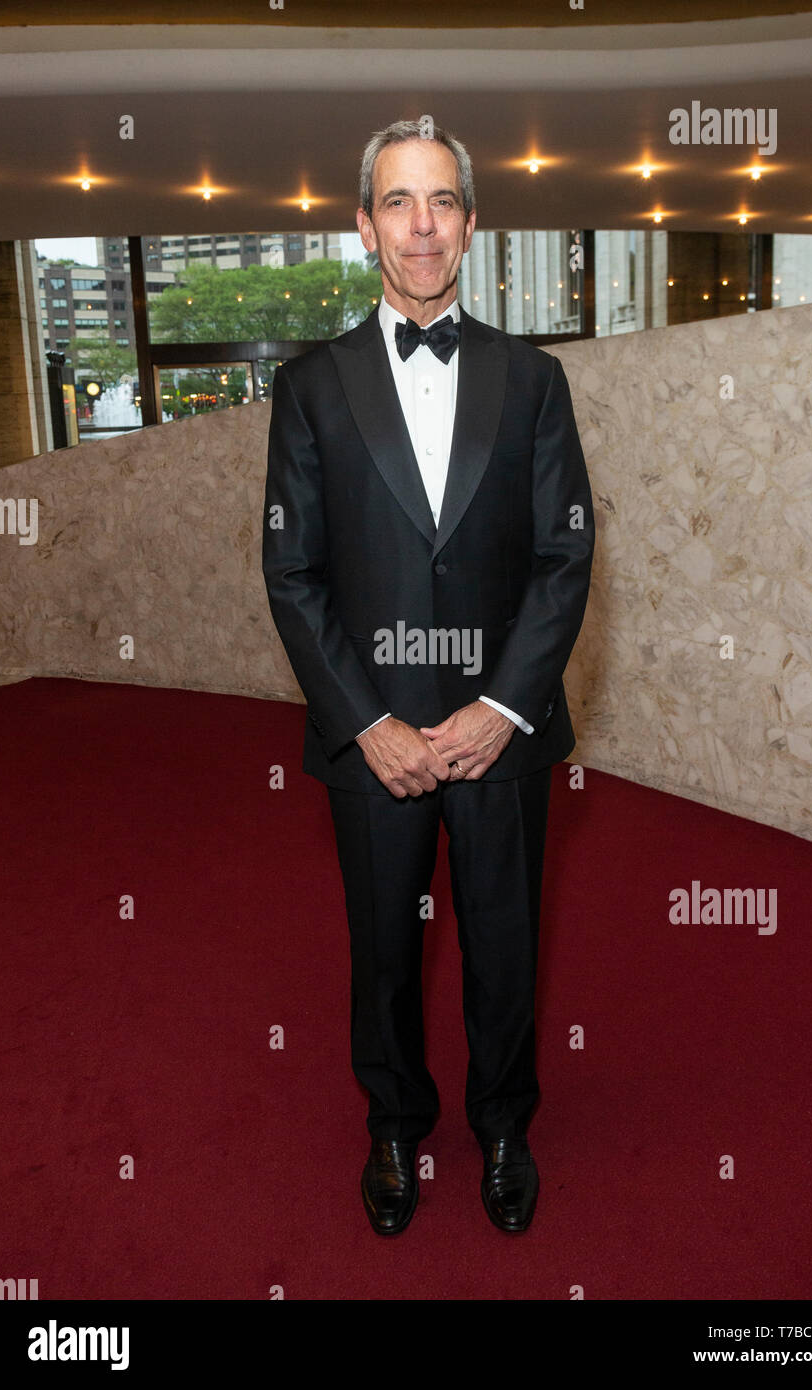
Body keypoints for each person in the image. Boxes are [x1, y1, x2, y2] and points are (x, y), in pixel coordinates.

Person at [262, 117, 594, 1235]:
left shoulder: (536, 378)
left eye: (442, 201)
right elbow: (293, 571)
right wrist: (368, 726)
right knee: (385, 950)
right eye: (398, 202)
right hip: (379, 743)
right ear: (364, 226)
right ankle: (394, 1125)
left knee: (506, 944)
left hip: (500, 733)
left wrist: (502, 707)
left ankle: (504, 1121)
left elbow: (565, 554)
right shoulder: (310, 387)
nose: (421, 225)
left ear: (469, 223)